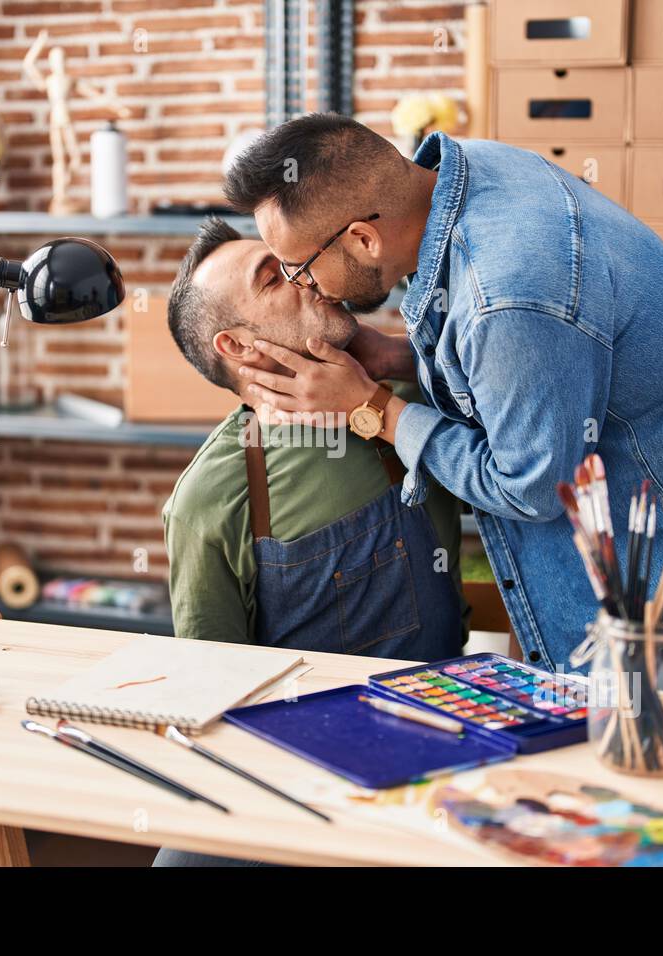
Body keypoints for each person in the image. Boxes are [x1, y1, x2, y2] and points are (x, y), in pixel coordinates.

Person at [222, 114, 663, 671]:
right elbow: (542, 367)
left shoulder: (507, 296)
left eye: (300, 267)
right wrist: (400, 355)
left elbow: (531, 485)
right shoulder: (466, 171)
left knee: (652, 773)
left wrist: (376, 410)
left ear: (362, 238)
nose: (309, 288)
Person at [151, 216, 469, 867]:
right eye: (274, 277)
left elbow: (517, 402)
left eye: (289, 259)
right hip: (298, 773)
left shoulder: (408, 400)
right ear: (237, 347)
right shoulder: (209, 499)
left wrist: (384, 367)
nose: (303, 272)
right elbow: (215, 694)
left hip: (445, 749)